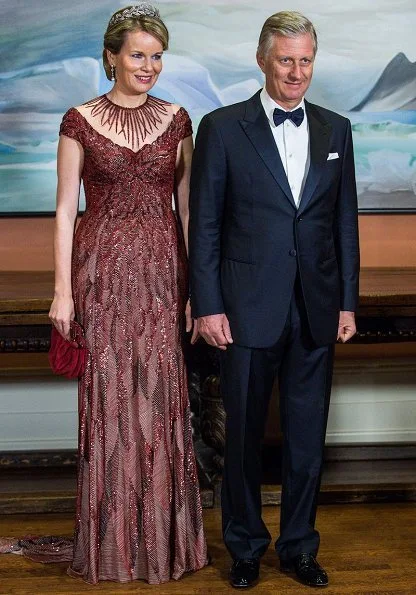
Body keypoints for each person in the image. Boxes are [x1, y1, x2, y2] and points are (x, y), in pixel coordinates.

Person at [189, 10, 359, 590]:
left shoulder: (337, 130)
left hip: (316, 306)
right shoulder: (220, 127)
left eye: (305, 60)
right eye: (285, 59)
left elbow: (344, 224)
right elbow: (204, 226)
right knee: (241, 439)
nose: (296, 71)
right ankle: (244, 547)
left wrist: (347, 303)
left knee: (308, 437)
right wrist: (208, 304)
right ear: (261, 60)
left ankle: (299, 548)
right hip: (243, 309)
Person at [47, 3, 208, 585]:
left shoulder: (179, 120)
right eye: (138, 55)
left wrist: (200, 290)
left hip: (165, 275)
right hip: (102, 277)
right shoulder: (78, 119)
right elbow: (66, 212)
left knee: (161, 398)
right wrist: (63, 293)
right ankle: (112, 542)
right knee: (113, 401)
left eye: (157, 56)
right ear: (111, 56)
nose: (150, 66)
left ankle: (166, 543)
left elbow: (189, 211)